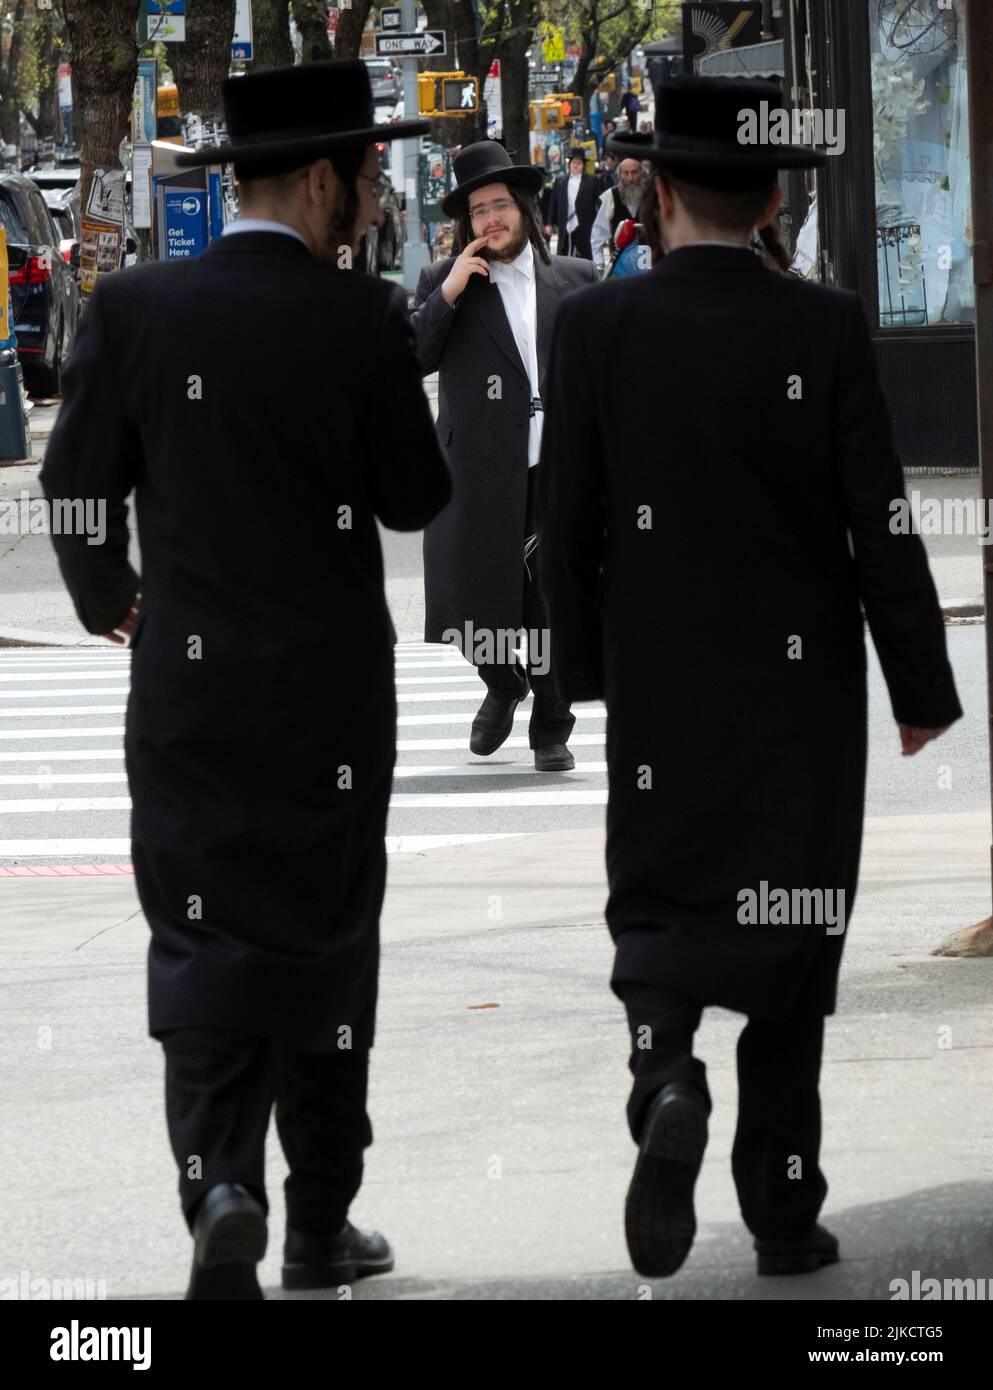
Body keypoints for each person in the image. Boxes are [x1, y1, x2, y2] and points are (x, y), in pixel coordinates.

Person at [537, 76, 962, 1279]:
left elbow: (562, 518)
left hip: (660, 675)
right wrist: (918, 683)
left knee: (664, 896)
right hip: (799, 684)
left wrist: (574, 671)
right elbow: (877, 518)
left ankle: (665, 1067)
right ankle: (781, 1205)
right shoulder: (821, 327)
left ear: (656, 194)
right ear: (773, 199)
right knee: (790, 924)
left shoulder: (596, 330)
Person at [39, 61, 452, 1300]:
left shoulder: (141, 309)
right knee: (329, 939)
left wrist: (115, 601)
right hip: (329, 694)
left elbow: (73, 492)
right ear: (322, 181)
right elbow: (416, 496)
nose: (373, 202)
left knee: (201, 928)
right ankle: (322, 1224)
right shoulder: (364, 317)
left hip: (191, 689)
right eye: (368, 180)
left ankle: (220, 1180)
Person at [410, 141, 597, 771]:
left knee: (550, 604)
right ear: (466, 223)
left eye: (500, 205)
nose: (492, 219)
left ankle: (552, 725)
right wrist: (451, 291)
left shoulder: (575, 279)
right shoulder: (447, 281)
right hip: (474, 472)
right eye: (478, 211)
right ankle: (503, 682)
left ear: (522, 208)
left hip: (556, 469)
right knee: (467, 605)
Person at [590, 157, 647, 269]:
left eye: (634, 173)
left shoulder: (650, 195)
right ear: (620, 175)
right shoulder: (611, 196)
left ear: (641, 174)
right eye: (626, 173)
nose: (630, 178)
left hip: (647, 263)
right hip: (620, 263)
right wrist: (599, 264)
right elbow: (598, 232)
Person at [544, 147, 598, 259]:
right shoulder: (560, 181)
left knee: (585, 254)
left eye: (579, 162)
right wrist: (549, 223)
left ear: (583, 165)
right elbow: (553, 204)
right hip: (565, 223)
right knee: (565, 253)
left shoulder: (592, 181)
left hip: (584, 224)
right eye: (573, 162)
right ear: (569, 164)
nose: (576, 165)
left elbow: (598, 202)